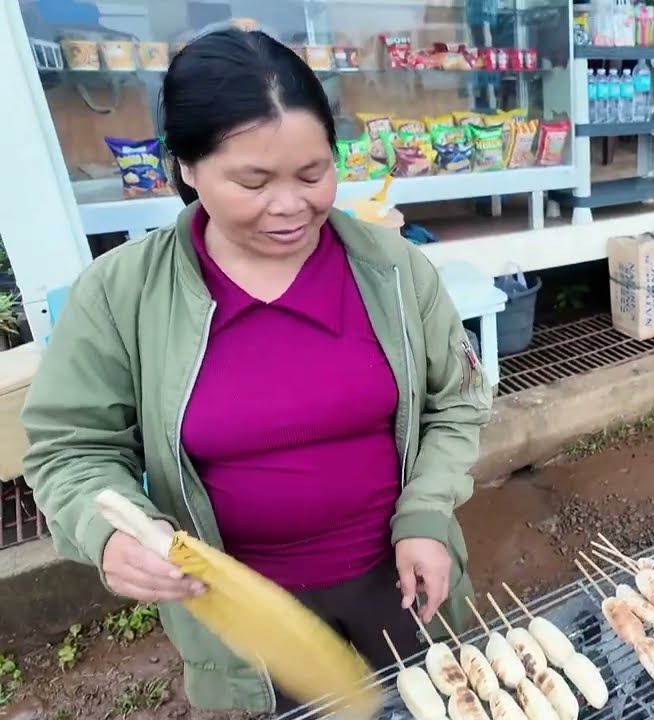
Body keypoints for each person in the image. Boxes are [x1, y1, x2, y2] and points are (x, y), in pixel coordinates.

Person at [21, 29, 491, 715]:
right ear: (187, 167)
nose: (291, 205)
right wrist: (110, 533)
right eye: (253, 182)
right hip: (245, 614)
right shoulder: (122, 295)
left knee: (442, 700)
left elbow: (456, 404)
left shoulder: (393, 271)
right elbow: (71, 447)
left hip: (400, 574)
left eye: (313, 173)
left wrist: (425, 514)